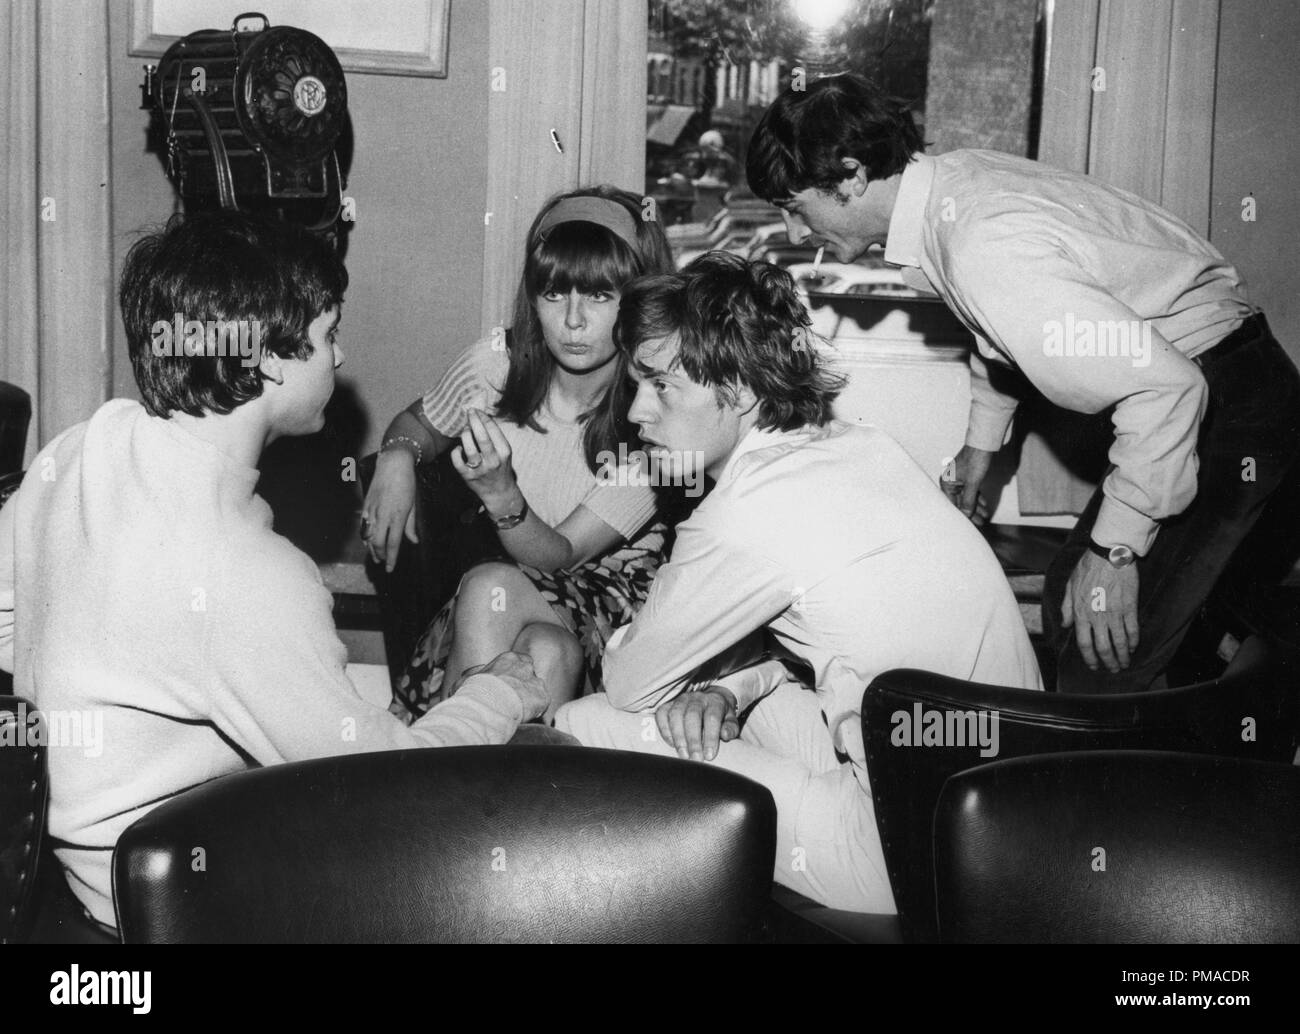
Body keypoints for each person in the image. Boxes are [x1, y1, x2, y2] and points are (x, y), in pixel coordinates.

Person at [0, 212, 551, 934]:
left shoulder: (85, 442)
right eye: (327, 335)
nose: (341, 356)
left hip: (72, 876)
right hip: (186, 907)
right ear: (266, 361)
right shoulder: (244, 572)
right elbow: (393, 786)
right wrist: (498, 693)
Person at [745, 72, 1300, 694]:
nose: (795, 234)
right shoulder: (951, 190)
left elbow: (1166, 389)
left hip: (1223, 398)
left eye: (795, 208)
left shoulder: (983, 241)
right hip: (1211, 381)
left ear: (850, 176)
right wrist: (982, 448)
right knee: (1074, 602)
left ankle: (1117, 780)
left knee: (1104, 647)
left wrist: (1118, 552)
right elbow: (1003, 332)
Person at [555, 253, 1042, 913]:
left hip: (901, 855)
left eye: (661, 384)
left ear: (744, 391)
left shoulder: (742, 512)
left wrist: (661, 662)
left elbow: (634, 684)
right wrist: (725, 690)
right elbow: (817, 657)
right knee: (712, 713)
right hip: (1001, 822)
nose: (637, 411)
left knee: (582, 723)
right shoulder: (866, 446)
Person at [361, 186, 677, 724]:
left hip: (615, 630)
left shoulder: (653, 410)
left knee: (490, 586)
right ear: (532, 297)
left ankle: (426, 776)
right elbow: (418, 423)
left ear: (639, 299)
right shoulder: (494, 365)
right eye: (555, 294)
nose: (573, 321)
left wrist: (502, 495)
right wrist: (396, 455)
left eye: (600, 296)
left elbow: (561, 558)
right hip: (516, 618)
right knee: (547, 650)